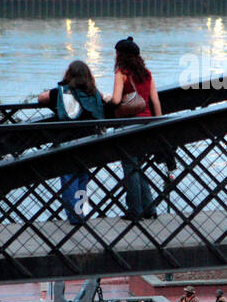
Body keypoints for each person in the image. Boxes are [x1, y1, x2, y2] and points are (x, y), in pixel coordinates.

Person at [36, 60, 105, 223]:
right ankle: (80, 211)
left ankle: (75, 215)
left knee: (68, 177)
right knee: (82, 177)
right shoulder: (93, 93)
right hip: (89, 141)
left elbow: (41, 98)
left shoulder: (61, 92)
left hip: (67, 141)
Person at [105, 37, 162, 220]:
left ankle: (135, 211)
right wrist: (160, 124)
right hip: (146, 124)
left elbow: (115, 100)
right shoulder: (147, 74)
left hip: (129, 125)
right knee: (139, 168)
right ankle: (150, 209)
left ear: (120, 55)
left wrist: (106, 99)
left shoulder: (121, 73)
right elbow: (155, 101)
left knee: (130, 168)